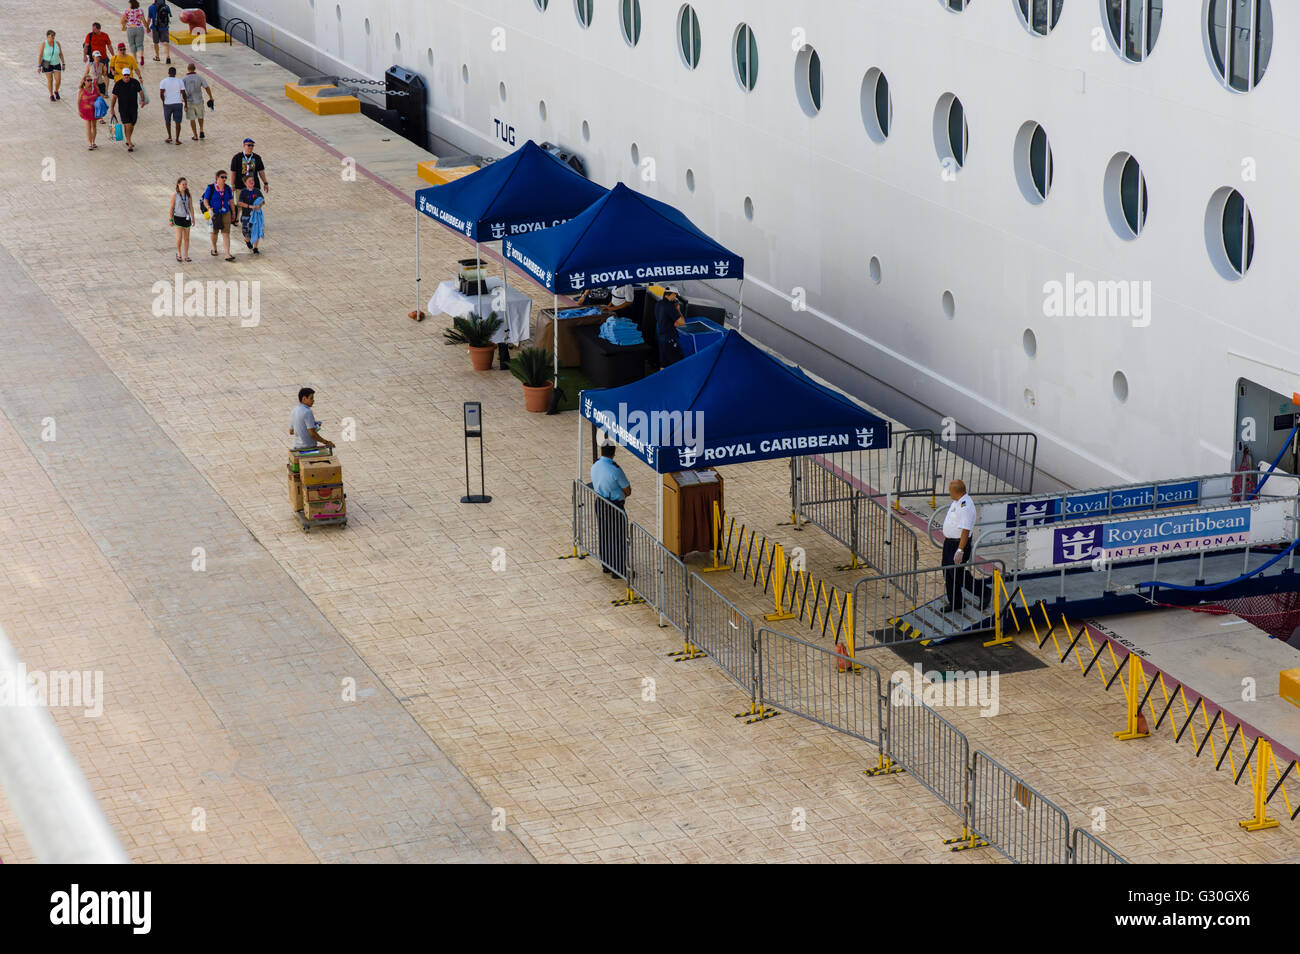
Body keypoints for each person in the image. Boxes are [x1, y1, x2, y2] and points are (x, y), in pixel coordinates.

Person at [941, 479, 988, 613]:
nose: (949, 493)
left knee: (958, 574)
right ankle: (956, 602)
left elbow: (965, 530)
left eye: (950, 490)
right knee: (948, 573)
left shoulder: (965, 506)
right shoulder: (957, 501)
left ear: (956, 491)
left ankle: (983, 591)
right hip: (949, 543)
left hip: (958, 544)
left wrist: (960, 550)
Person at [590, 442, 631, 579]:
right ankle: (618, 570)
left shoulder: (595, 466)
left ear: (601, 451)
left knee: (604, 534)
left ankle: (606, 564)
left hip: (600, 503)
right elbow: (628, 490)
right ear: (613, 453)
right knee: (618, 537)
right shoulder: (615, 469)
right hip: (614, 506)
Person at [229, 138, 267, 224]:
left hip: (254, 184)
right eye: (248, 145)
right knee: (239, 203)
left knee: (256, 201)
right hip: (240, 184)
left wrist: (265, 182)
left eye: (252, 145)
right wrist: (232, 185)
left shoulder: (257, 157)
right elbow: (233, 172)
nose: (250, 147)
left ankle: (254, 218)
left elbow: (261, 171)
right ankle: (236, 217)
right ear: (244, 146)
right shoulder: (237, 157)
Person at [200, 169, 235, 260]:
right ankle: (214, 247)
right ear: (217, 178)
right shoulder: (210, 188)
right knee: (214, 232)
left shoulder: (227, 188)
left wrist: (233, 212)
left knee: (226, 233)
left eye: (225, 177)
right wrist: (208, 207)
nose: (224, 179)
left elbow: (231, 201)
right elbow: (206, 200)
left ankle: (227, 254)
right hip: (214, 213)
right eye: (222, 177)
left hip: (225, 212)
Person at [108, 66, 144, 150]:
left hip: (133, 108)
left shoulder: (135, 82)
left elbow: (141, 91)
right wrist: (112, 108)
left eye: (128, 75)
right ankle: (129, 142)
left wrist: (142, 100)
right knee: (128, 125)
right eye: (125, 75)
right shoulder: (118, 84)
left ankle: (128, 140)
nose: (126, 76)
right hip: (123, 109)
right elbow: (114, 97)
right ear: (122, 75)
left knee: (131, 125)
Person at [654, 286, 688, 369]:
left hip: (661, 338)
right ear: (672, 294)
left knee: (663, 364)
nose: (675, 297)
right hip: (669, 339)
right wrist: (678, 310)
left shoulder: (658, 304)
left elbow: (664, 319)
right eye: (675, 295)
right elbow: (682, 323)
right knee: (678, 363)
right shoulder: (669, 306)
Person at [237, 173, 266, 254]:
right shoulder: (243, 192)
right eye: (249, 181)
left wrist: (259, 206)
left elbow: (263, 201)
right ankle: (247, 240)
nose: (252, 182)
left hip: (255, 215)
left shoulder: (257, 191)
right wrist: (251, 206)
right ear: (245, 183)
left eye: (252, 180)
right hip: (246, 215)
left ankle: (255, 248)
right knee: (246, 232)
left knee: (256, 230)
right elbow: (240, 203)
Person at [182, 63, 211, 140]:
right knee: (200, 116)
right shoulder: (199, 77)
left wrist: (182, 99)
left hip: (189, 101)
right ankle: (201, 129)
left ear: (188, 69)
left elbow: (181, 91)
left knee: (192, 119)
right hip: (199, 100)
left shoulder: (184, 79)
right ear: (195, 69)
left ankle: (195, 135)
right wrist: (211, 97)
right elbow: (207, 87)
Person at [170, 176, 193, 262]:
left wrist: (193, 218)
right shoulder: (175, 195)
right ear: (178, 185)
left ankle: (186, 255)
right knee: (179, 237)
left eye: (186, 184)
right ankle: (179, 253)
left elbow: (191, 207)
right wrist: (170, 219)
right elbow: (171, 208)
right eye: (183, 184)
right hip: (177, 218)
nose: (184, 186)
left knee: (187, 238)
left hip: (186, 218)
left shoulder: (188, 195)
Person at [159, 65, 184, 144]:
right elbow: (184, 93)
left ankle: (169, 136)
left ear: (168, 73)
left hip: (168, 104)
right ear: (175, 73)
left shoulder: (164, 81)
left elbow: (161, 93)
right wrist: (186, 103)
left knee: (167, 121)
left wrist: (163, 102)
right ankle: (177, 139)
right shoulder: (180, 81)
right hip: (178, 103)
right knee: (178, 122)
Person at [38, 30, 65, 101]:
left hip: (56, 63)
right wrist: (39, 66)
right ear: (47, 37)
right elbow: (40, 55)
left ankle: (56, 90)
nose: (53, 38)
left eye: (54, 36)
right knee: (50, 80)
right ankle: (51, 94)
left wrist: (63, 63)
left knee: (58, 80)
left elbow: (61, 54)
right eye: (51, 36)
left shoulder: (57, 43)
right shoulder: (44, 44)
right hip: (46, 63)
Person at [77, 74, 101, 149]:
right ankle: (90, 143)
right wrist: (79, 110)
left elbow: (99, 97)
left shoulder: (95, 88)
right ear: (84, 82)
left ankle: (93, 142)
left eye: (91, 80)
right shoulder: (81, 91)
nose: (90, 82)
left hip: (94, 110)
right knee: (88, 127)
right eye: (88, 80)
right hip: (86, 110)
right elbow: (78, 101)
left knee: (94, 126)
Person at [146, 0, 171, 64]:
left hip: (155, 28)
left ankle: (157, 56)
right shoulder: (166, 6)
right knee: (166, 42)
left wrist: (147, 28)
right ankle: (168, 57)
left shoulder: (151, 7)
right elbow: (169, 16)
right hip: (165, 27)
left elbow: (149, 19)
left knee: (156, 42)